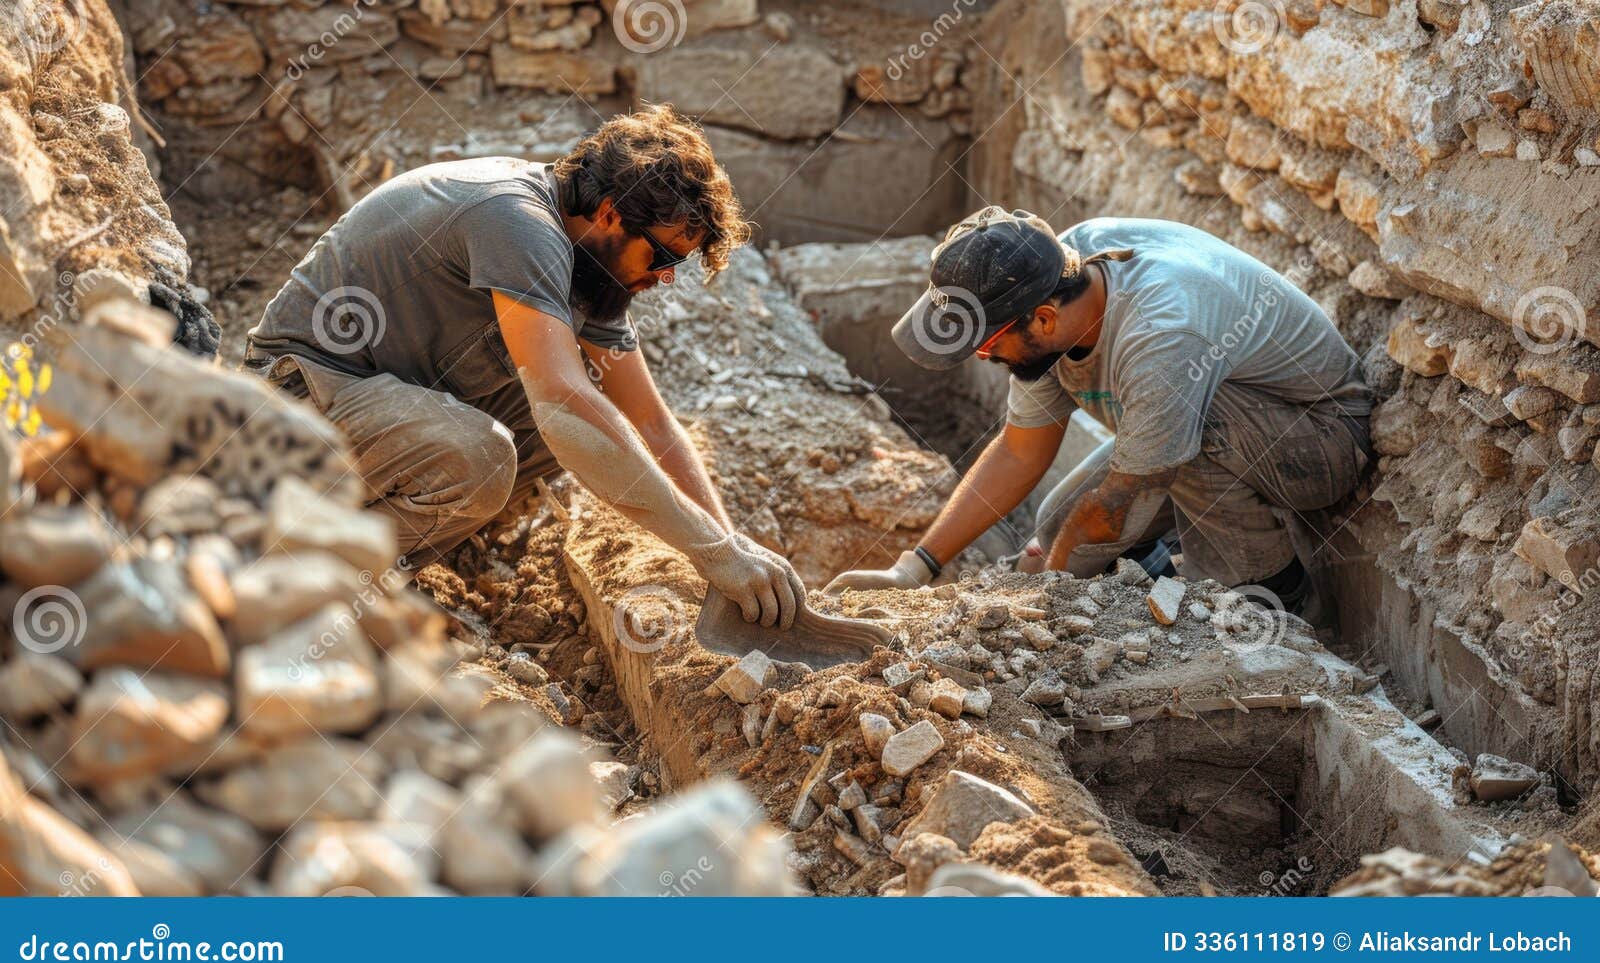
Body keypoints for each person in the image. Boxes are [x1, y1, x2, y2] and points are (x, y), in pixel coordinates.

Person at [246, 105, 803, 628]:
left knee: (577, 420)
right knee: (494, 451)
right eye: (663, 257)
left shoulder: (595, 260)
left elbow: (650, 423)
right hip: (296, 396)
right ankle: (307, 577)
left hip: (377, 398)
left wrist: (728, 547)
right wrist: (711, 552)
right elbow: (563, 403)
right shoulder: (517, 220)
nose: (666, 277)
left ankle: (374, 549)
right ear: (611, 213)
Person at [825, 207, 1372, 613]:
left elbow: (1121, 499)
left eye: (987, 347)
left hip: (1318, 438)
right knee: (1053, 530)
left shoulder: (1160, 336)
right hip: (1231, 416)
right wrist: (914, 568)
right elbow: (1020, 451)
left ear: (1042, 320)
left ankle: (1274, 599)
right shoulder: (1050, 271)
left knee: (1176, 438)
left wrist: (1039, 609)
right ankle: (1160, 576)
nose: (984, 359)